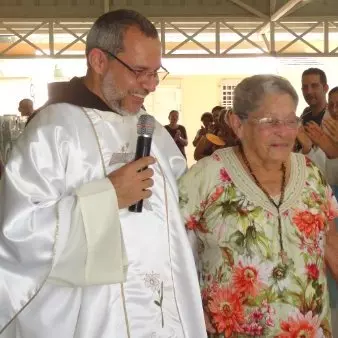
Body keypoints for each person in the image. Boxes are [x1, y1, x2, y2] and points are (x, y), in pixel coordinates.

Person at [0, 9, 206, 338]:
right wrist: (107, 196)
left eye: (156, 73)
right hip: (94, 319)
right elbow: (20, 235)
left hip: (162, 315)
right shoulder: (52, 130)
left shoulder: (151, 130)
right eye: (140, 72)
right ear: (98, 61)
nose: (150, 85)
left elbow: (187, 206)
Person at [178, 74, 338, 337]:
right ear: (237, 124)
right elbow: (166, 249)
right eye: (271, 121)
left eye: (290, 121)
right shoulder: (205, 177)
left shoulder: (310, 173)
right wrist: (187, 301)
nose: (284, 132)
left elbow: (331, 243)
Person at [298, 86, 338, 185]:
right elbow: (323, 180)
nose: (334, 110)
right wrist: (307, 149)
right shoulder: (325, 132)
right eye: (331, 105)